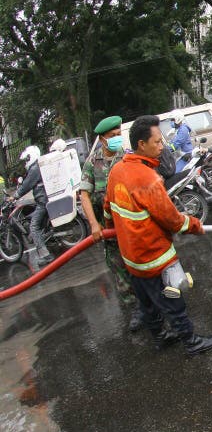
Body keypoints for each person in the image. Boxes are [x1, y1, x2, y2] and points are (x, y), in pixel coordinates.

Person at [104, 115, 212, 356]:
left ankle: (160, 337)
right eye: (156, 142)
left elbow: (107, 207)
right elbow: (172, 219)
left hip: (132, 259)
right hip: (154, 257)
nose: (161, 146)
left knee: (147, 303)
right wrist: (195, 225)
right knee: (173, 299)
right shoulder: (147, 178)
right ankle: (191, 342)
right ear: (141, 145)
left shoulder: (117, 171)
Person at [80, 116, 143, 331]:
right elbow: (85, 195)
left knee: (139, 265)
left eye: (119, 135)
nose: (117, 139)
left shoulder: (127, 158)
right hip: (109, 230)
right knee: (118, 267)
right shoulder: (92, 163)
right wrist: (93, 225)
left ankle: (151, 303)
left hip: (131, 226)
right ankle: (135, 309)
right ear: (102, 139)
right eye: (112, 136)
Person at [9, 146, 52, 265]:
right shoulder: (37, 166)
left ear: (31, 156)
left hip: (43, 200)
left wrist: (15, 196)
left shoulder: (34, 169)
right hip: (44, 198)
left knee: (33, 227)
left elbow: (27, 185)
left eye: (27, 159)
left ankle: (46, 255)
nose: (25, 162)